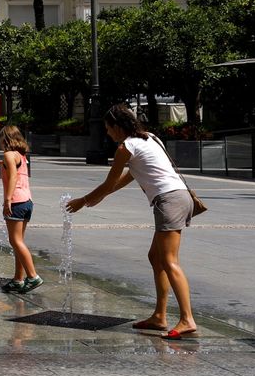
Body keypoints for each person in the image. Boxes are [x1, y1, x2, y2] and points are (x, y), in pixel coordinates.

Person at [66, 104, 199, 340]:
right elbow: (129, 177)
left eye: (108, 128)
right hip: (178, 197)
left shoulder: (126, 146)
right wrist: (99, 198)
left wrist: (84, 200)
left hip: (169, 201)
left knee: (169, 261)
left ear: (118, 127)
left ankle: (187, 319)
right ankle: (159, 315)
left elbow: (109, 182)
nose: (107, 133)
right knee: (155, 257)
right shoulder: (150, 138)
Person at [0, 125, 41, 293]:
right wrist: (0, 163)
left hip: (16, 202)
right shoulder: (21, 155)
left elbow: (12, 176)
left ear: (5, 139)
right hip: (28, 202)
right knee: (19, 242)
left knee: (15, 241)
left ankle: (33, 276)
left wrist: (7, 200)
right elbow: (15, 167)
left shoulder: (8, 155)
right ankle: (18, 279)